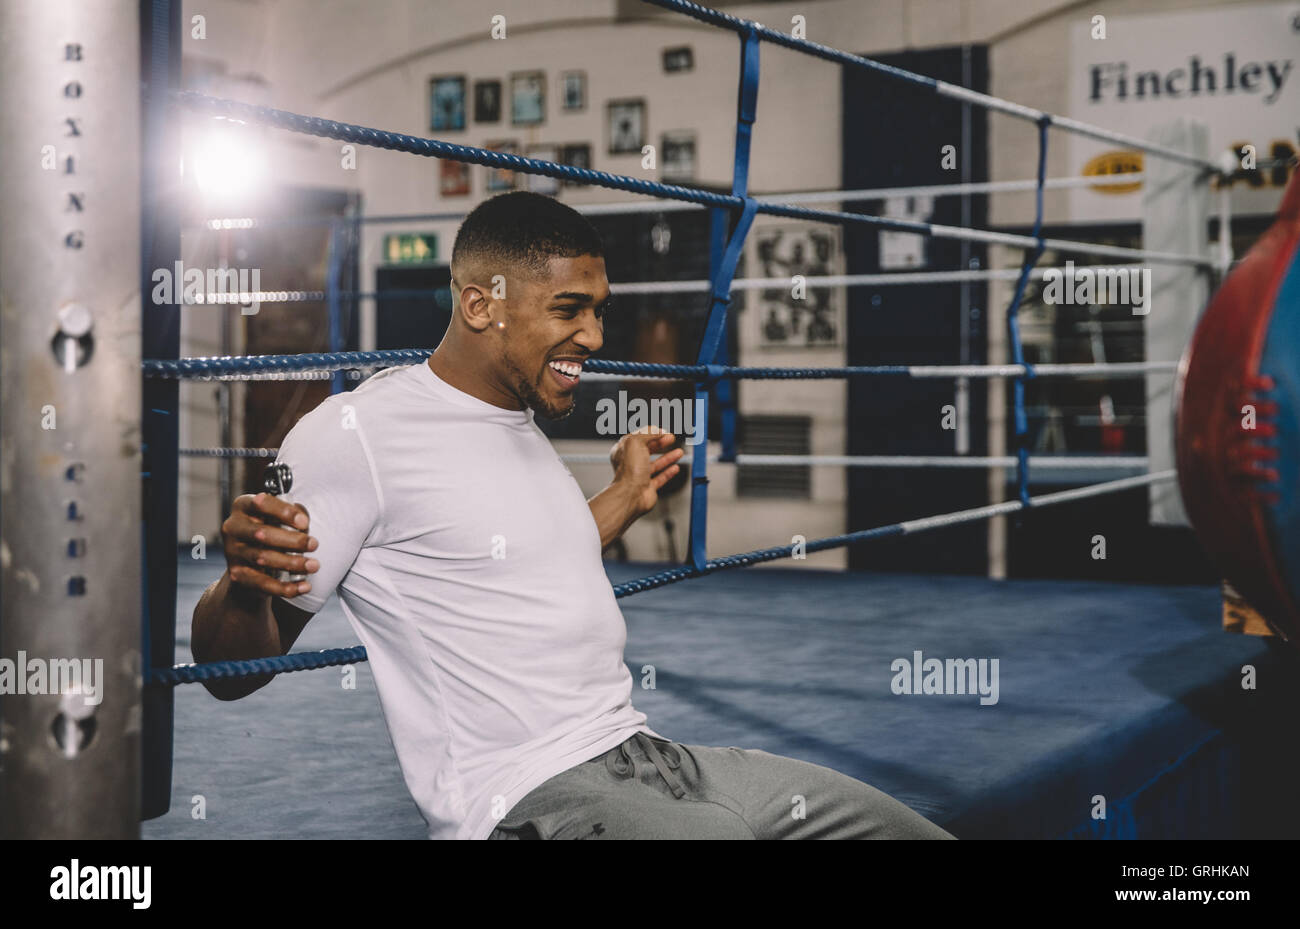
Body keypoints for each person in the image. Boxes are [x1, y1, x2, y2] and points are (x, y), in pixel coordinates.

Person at [191, 191, 954, 840]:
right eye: (569, 309)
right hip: (532, 795)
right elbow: (231, 673)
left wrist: (625, 491)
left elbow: (527, 564)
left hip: (654, 755)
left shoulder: (519, 423)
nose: (593, 335)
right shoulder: (358, 433)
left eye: (597, 310)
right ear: (480, 303)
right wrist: (247, 584)